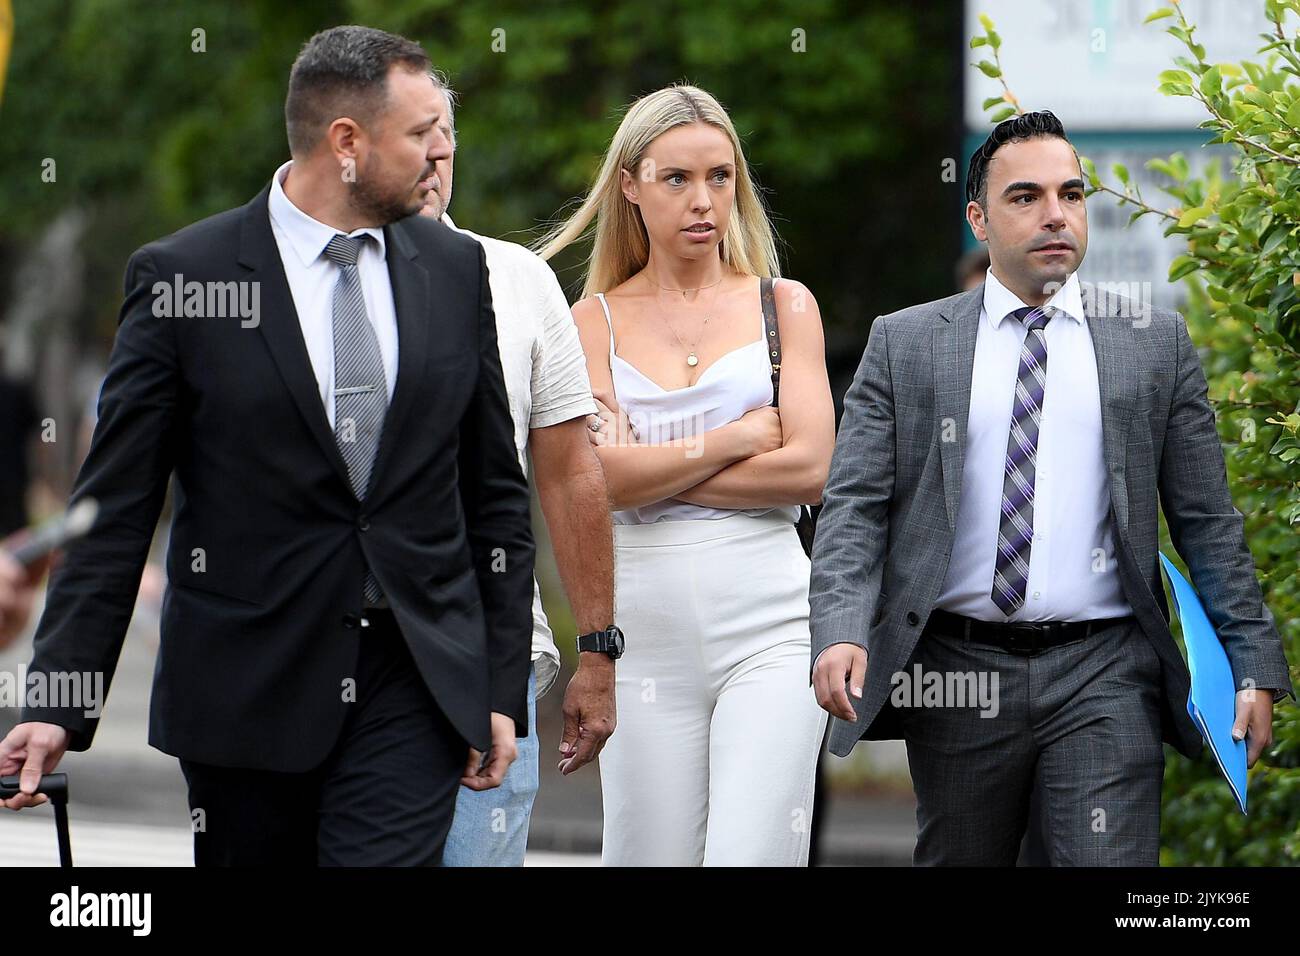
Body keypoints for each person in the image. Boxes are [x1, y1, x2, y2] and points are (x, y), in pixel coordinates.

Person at [0, 26, 537, 867]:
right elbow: (117, 506)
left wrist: (502, 688)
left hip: (414, 677)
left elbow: (494, 493)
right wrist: (56, 696)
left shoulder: (455, 269)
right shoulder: (184, 277)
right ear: (347, 144)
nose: (442, 153)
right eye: (421, 131)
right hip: (245, 689)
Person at [810, 110, 1294, 866]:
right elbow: (856, 505)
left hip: (1105, 671)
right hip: (957, 672)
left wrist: (1253, 662)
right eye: (1026, 197)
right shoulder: (905, 343)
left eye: (1071, 194)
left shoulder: (1152, 345)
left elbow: (1207, 519)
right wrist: (841, 626)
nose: (1056, 215)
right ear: (978, 218)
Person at [539, 84, 834, 866]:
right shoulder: (589, 322)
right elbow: (593, 480)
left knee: (756, 852)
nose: (703, 201)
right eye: (677, 179)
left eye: (720, 177)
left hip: (771, 619)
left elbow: (810, 467)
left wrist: (649, 470)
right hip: (643, 630)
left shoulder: (785, 307)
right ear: (630, 186)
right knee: (646, 855)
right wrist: (739, 436)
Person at [417, 80, 618, 866]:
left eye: (444, 134)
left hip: (489, 667)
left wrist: (597, 653)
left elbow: (570, 476)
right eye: (412, 134)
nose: (434, 155)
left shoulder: (517, 280)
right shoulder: (309, 285)